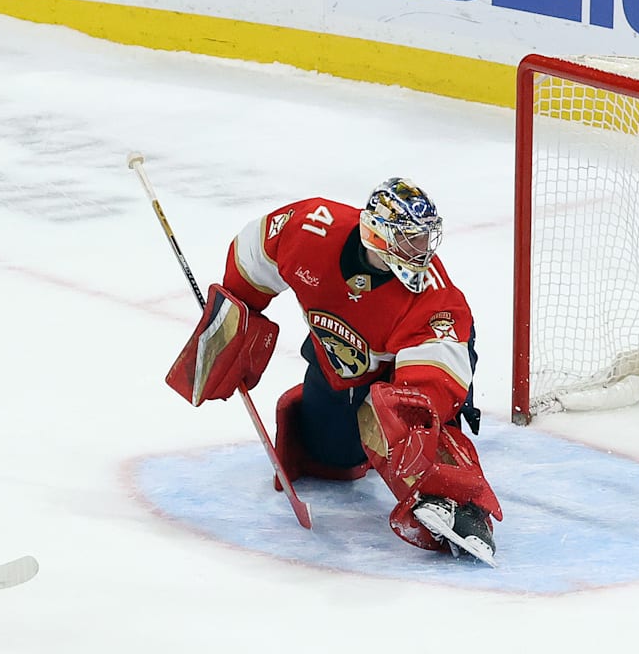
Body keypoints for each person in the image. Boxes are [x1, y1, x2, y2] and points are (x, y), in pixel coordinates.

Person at [166, 178, 501, 564]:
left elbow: (433, 376)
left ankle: (458, 503)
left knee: (400, 419)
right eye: (410, 239)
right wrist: (237, 311)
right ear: (376, 235)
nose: (422, 250)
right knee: (330, 460)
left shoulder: (433, 295)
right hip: (338, 367)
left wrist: (410, 427)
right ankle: (323, 412)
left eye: (425, 238)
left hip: (406, 373)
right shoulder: (312, 227)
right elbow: (256, 249)